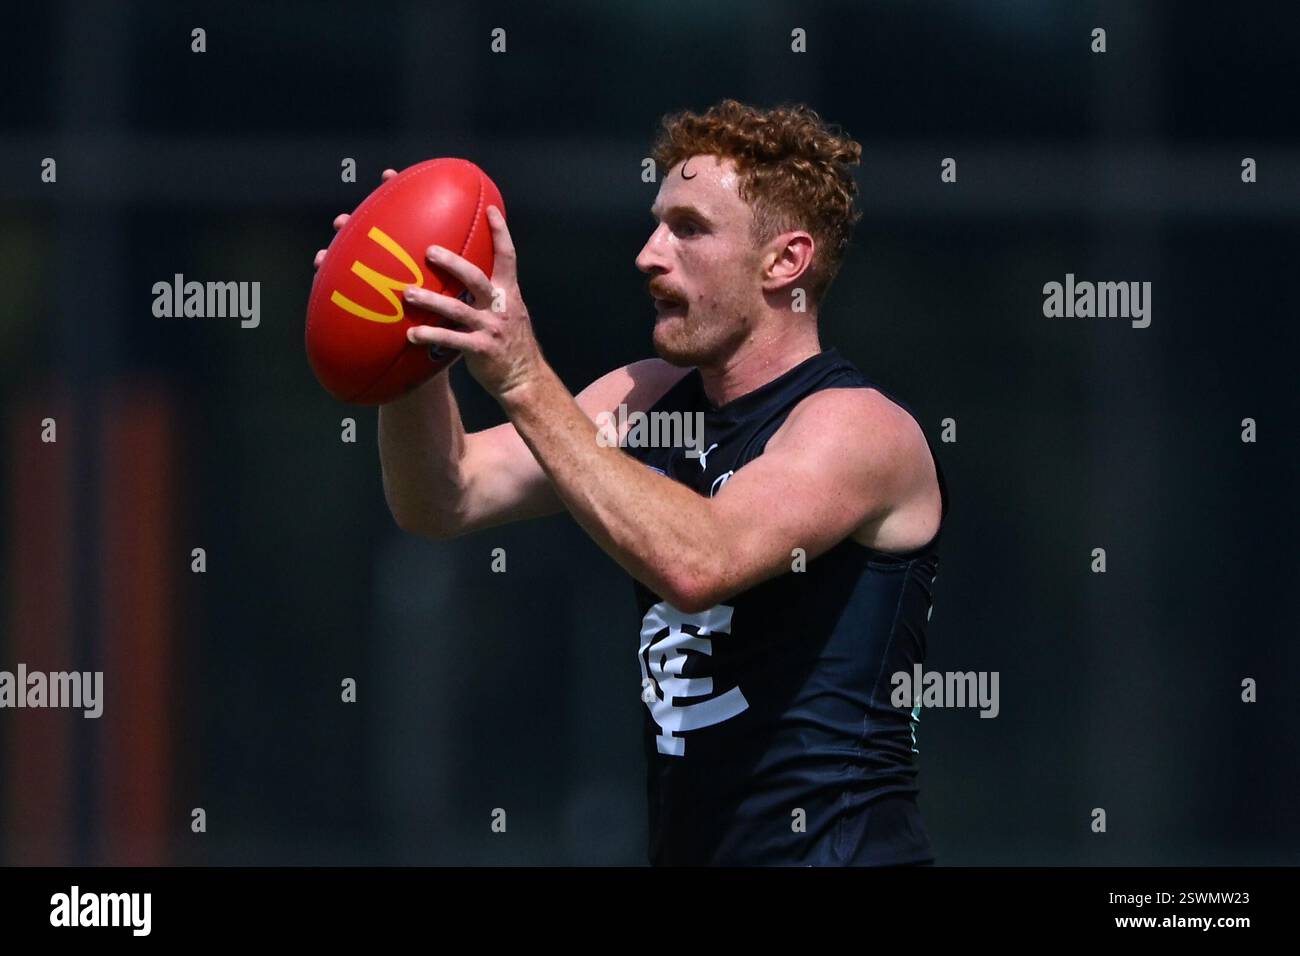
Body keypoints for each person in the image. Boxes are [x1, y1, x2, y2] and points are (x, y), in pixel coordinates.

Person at [314, 99, 948, 865]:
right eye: (656, 223)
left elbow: (701, 564)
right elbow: (445, 497)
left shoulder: (856, 428)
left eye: (688, 228)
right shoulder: (644, 399)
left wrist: (520, 376)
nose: (649, 254)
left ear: (785, 262)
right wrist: (415, 337)